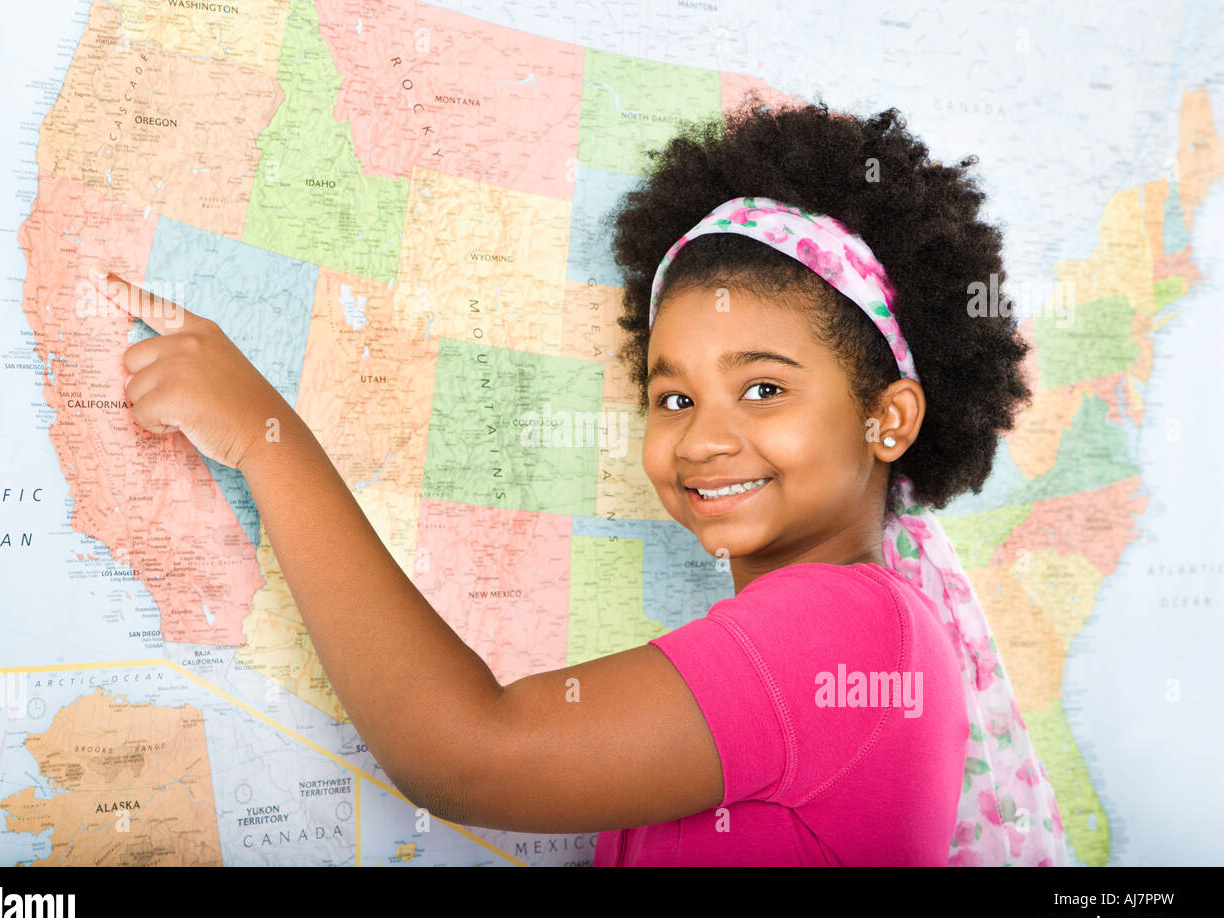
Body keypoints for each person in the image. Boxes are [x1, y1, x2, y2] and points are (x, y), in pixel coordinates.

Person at [97, 92, 1067, 866]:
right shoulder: (874, 625)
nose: (702, 439)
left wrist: (267, 438)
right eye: (673, 397)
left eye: (762, 387)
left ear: (886, 417)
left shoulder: (847, 628)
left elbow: (468, 752)